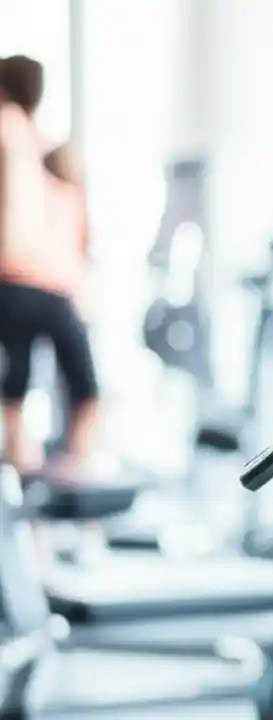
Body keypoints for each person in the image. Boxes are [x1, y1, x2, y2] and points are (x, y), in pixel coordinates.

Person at [0, 55, 98, 474]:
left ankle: (33, 477)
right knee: (81, 390)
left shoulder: (13, 134)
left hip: (20, 282)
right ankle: (65, 474)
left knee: (19, 388)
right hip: (54, 287)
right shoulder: (53, 150)